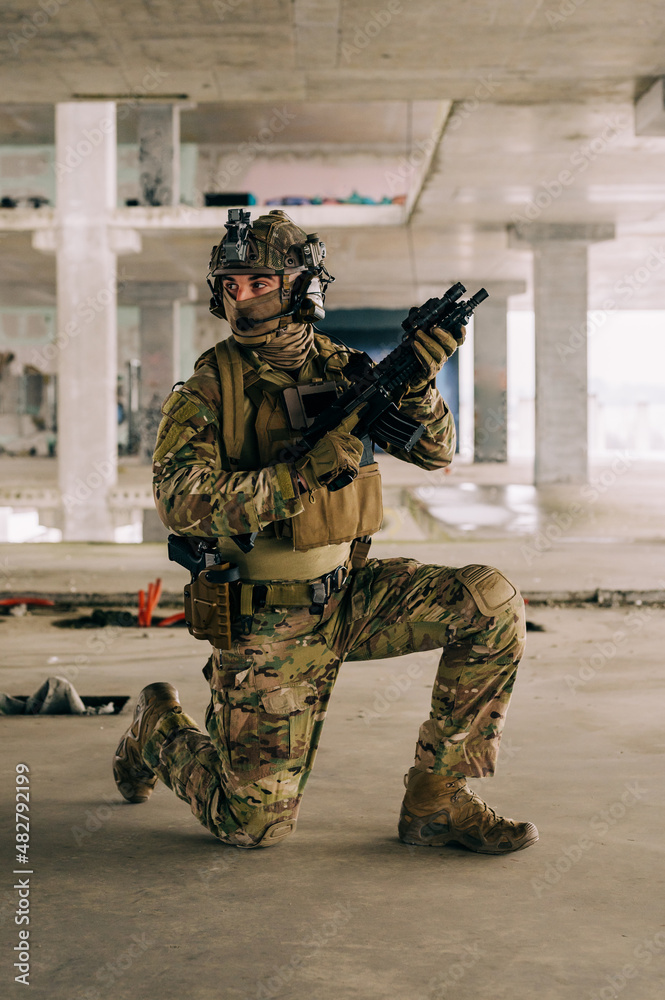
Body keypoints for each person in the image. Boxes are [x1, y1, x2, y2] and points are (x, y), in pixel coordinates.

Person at [113, 209, 538, 855]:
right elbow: (180, 503)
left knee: (489, 602)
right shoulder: (208, 391)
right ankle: (157, 725)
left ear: (301, 286)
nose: (241, 297)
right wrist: (297, 478)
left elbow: (435, 451)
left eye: (259, 282)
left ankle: (437, 801)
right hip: (264, 620)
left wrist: (419, 384)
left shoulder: (345, 368)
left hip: (350, 596)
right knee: (251, 827)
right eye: (230, 285)